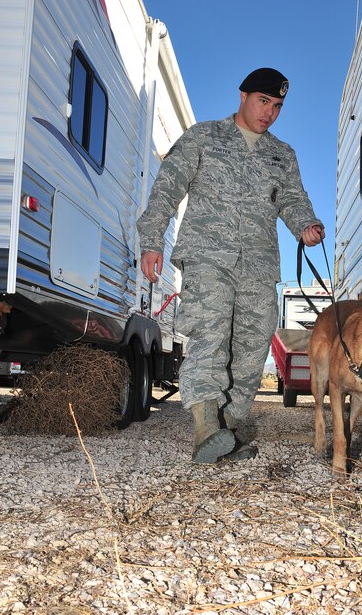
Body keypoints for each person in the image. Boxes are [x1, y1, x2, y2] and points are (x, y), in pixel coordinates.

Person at [137, 68, 323, 464]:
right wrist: (152, 240)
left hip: (259, 264)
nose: (269, 113)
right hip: (208, 256)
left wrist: (305, 223)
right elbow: (167, 186)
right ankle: (206, 426)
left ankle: (229, 427)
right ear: (242, 96)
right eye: (263, 101)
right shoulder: (204, 137)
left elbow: (292, 199)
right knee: (210, 336)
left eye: (277, 106)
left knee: (252, 349)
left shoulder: (282, 154)